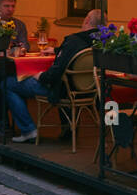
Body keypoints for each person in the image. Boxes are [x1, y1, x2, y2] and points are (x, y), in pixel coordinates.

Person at [6, 8, 103, 142]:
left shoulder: (73, 40)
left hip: (63, 91)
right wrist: (57, 50)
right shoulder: (102, 42)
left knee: (9, 83)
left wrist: (39, 76)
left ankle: (28, 130)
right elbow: (75, 54)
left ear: (87, 20)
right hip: (89, 91)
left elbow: (54, 74)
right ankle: (68, 130)